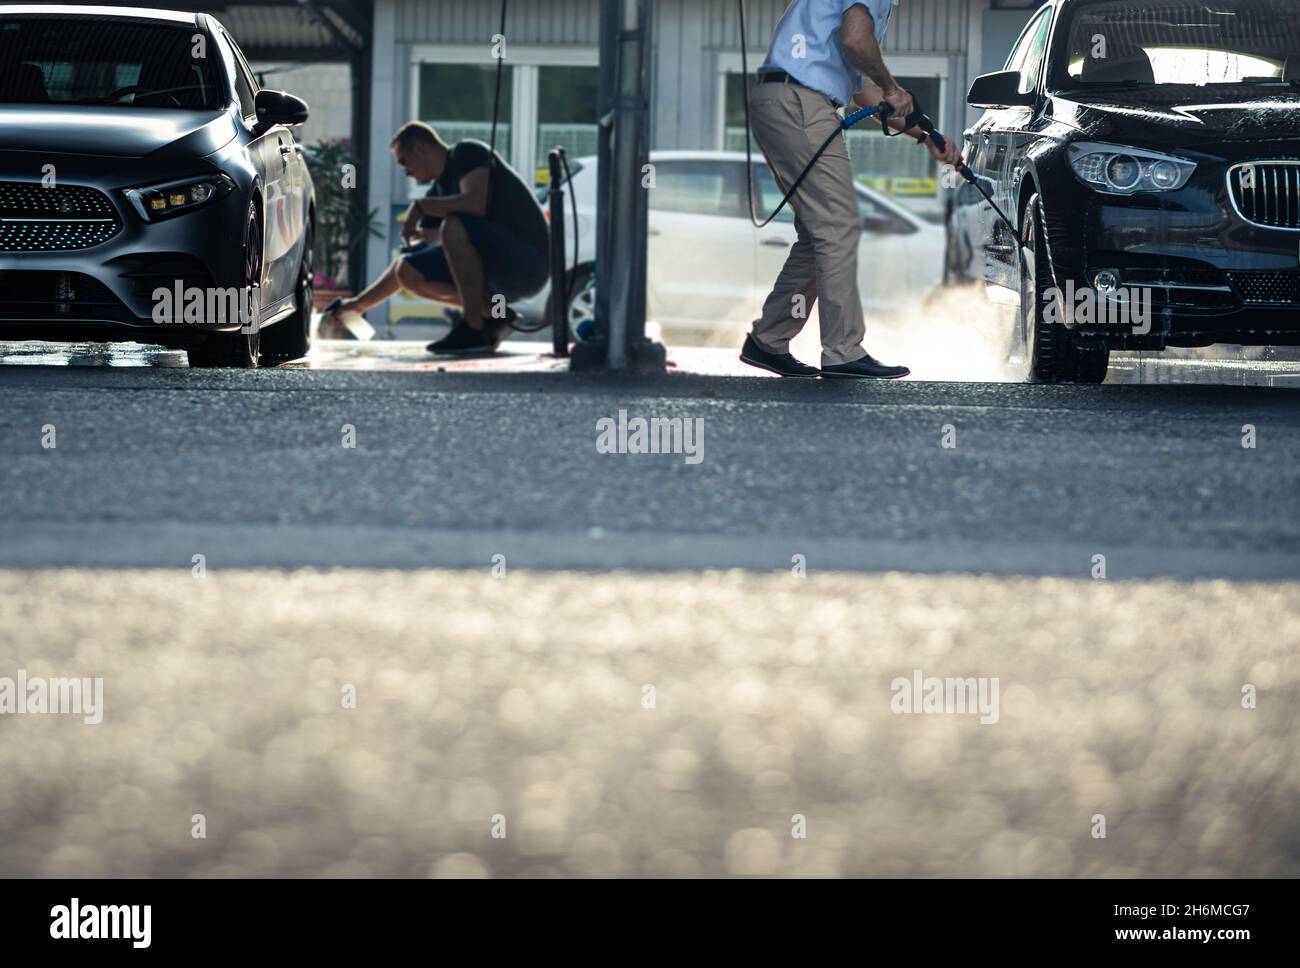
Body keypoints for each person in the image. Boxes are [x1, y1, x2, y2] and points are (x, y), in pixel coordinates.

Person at [741, 0, 961, 379]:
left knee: (818, 233)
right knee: (838, 226)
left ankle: (769, 340)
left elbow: (863, 92)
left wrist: (924, 136)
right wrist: (895, 87)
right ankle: (843, 351)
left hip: (782, 97)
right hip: (800, 101)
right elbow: (857, 41)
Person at [320, 122, 550, 356]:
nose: (406, 172)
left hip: (528, 261)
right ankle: (493, 314)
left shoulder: (466, 153)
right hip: (496, 270)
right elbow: (414, 258)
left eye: (404, 162)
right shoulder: (437, 191)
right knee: (408, 270)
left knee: (454, 225)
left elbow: (476, 203)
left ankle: (473, 327)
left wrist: (421, 207)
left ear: (419, 148)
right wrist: (358, 305)